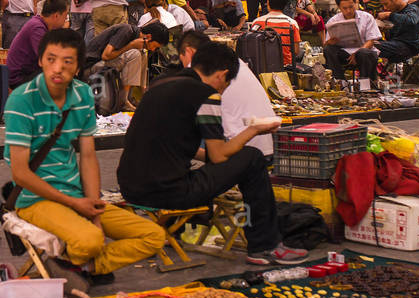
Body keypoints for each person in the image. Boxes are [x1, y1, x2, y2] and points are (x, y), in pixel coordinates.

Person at [117, 41, 306, 266]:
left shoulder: (160, 84)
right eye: (226, 85)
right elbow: (218, 155)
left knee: (226, 162)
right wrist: (254, 129)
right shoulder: (206, 94)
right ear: (222, 75)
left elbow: (171, 144)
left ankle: (177, 228)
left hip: (130, 187)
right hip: (168, 192)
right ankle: (264, 245)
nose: (223, 90)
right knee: (253, 158)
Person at [4, 27, 165, 288]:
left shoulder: (80, 95)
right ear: (40, 60)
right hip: (35, 200)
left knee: (153, 235)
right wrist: (75, 204)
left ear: (79, 67)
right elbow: (20, 173)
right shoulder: (22, 101)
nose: (58, 68)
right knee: (91, 240)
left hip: (77, 195)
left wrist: (94, 209)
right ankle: (82, 263)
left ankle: (83, 266)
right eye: (51, 59)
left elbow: (88, 157)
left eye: (67, 62)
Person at [177, 31, 277, 160]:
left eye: (182, 60)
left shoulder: (199, 70)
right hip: (264, 147)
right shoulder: (232, 61)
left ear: (189, 51)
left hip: (242, 148)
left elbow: (216, 155)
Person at [86, 21, 169, 108]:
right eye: (155, 46)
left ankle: (144, 95)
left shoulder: (136, 36)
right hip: (92, 66)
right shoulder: (126, 30)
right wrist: (131, 46)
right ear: (148, 36)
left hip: (104, 65)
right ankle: (124, 101)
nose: (153, 49)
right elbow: (105, 55)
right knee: (135, 54)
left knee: (142, 53)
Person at [6, 0, 70, 89]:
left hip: (29, 72)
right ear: (56, 16)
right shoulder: (37, 28)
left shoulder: (41, 24)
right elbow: (47, 58)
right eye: (65, 15)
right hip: (19, 78)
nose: (66, 19)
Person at [323, 0, 381, 85]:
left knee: (364, 53)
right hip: (344, 53)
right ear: (339, 8)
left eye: (351, 7)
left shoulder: (367, 17)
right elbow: (325, 44)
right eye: (344, 8)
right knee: (328, 49)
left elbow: (371, 40)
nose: (348, 11)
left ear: (356, 4)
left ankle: (365, 86)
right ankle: (340, 83)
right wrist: (330, 42)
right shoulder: (333, 21)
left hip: (363, 51)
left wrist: (357, 52)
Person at [250, 0, 300, 69]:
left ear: (268, 3)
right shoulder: (292, 23)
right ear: (285, 5)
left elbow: (252, 48)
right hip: (285, 68)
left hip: (261, 68)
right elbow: (296, 51)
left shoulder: (257, 22)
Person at [376, 0, 419, 66]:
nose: (385, 8)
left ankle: (374, 76)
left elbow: (411, 21)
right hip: (395, 45)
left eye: (386, 4)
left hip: (409, 47)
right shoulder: (395, 13)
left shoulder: (413, 9)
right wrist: (384, 30)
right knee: (369, 43)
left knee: (374, 46)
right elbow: (393, 36)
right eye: (383, 5)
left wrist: (389, 14)